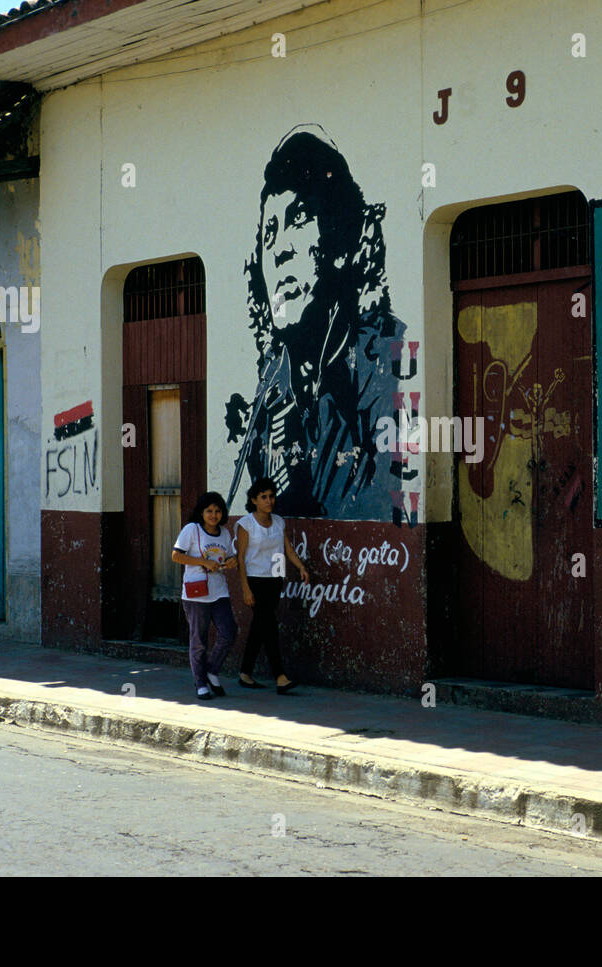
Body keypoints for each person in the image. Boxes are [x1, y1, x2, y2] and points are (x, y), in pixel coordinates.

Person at [226, 124, 405, 520]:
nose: (280, 250)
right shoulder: (271, 393)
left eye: (298, 220)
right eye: (269, 234)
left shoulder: (382, 362)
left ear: (339, 240)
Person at [235, 477, 309, 694]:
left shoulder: (278, 521)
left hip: (275, 578)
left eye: (271, 496)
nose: (269, 501)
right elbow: (240, 558)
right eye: (264, 497)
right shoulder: (245, 524)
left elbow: (287, 548)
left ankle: (245, 672)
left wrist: (301, 567)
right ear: (254, 500)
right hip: (255, 579)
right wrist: (245, 588)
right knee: (269, 626)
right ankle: (280, 676)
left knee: (260, 626)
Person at [171, 491, 239, 700]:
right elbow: (176, 556)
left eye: (218, 511)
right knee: (198, 640)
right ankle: (200, 683)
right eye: (209, 511)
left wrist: (232, 562)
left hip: (219, 591)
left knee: (229, 631)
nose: (213, 515)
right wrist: (202, 561)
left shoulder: (225, 534)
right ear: (201, 512)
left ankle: (211, 670)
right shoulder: (192, 530)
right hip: (196, 593)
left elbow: (229, 556)